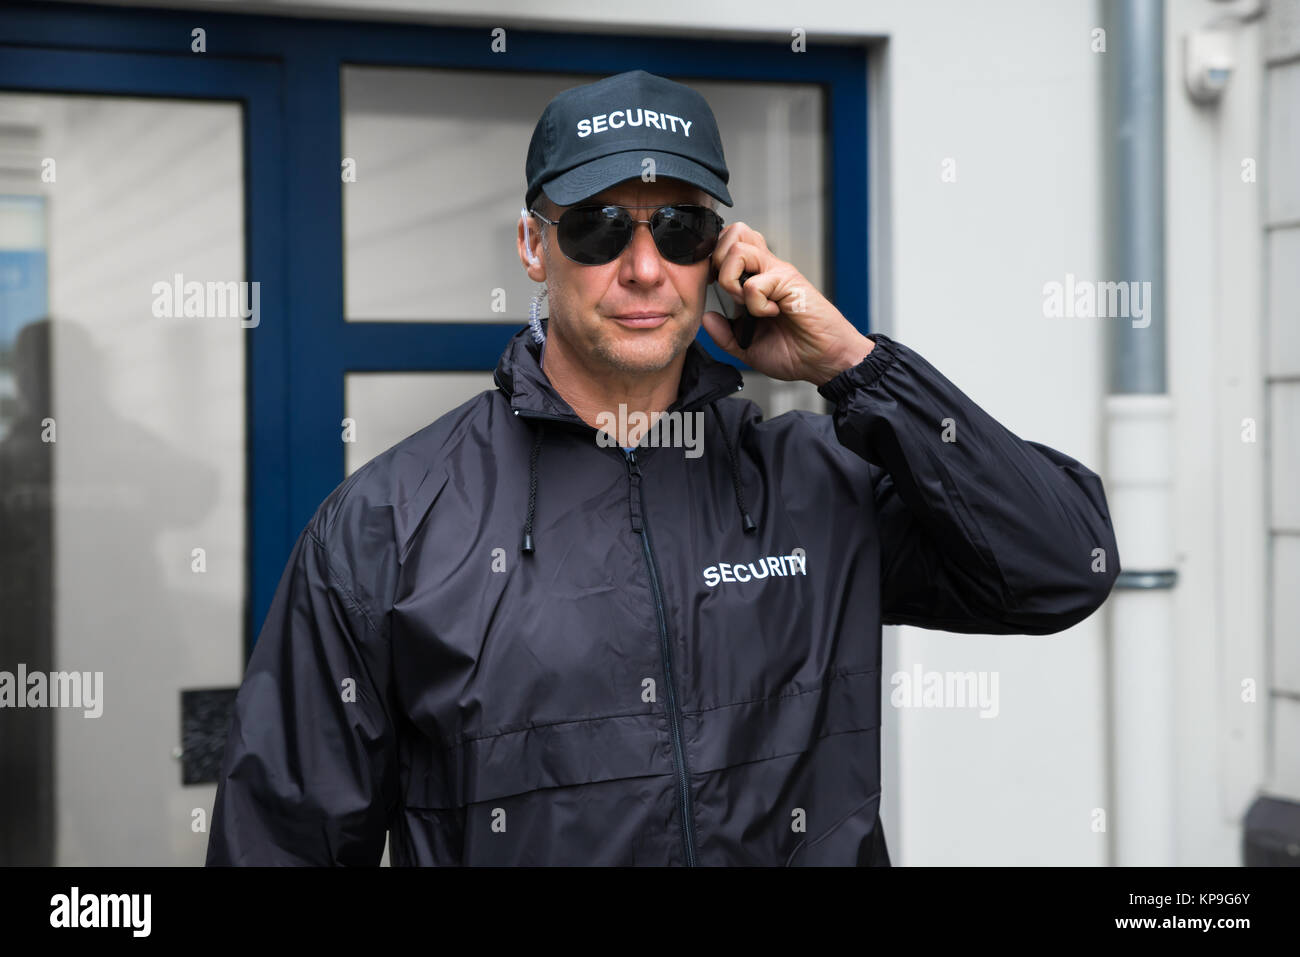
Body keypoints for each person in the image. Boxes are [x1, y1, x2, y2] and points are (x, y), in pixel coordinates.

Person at [206, 69, 1121, 866]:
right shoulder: (389, 524)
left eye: (680, 229)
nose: (644, 267)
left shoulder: (814, 482)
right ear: (534, 245)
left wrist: (858, 368)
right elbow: (281, 841)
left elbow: (1060, 565)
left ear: (720, 251)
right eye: (600, 228)